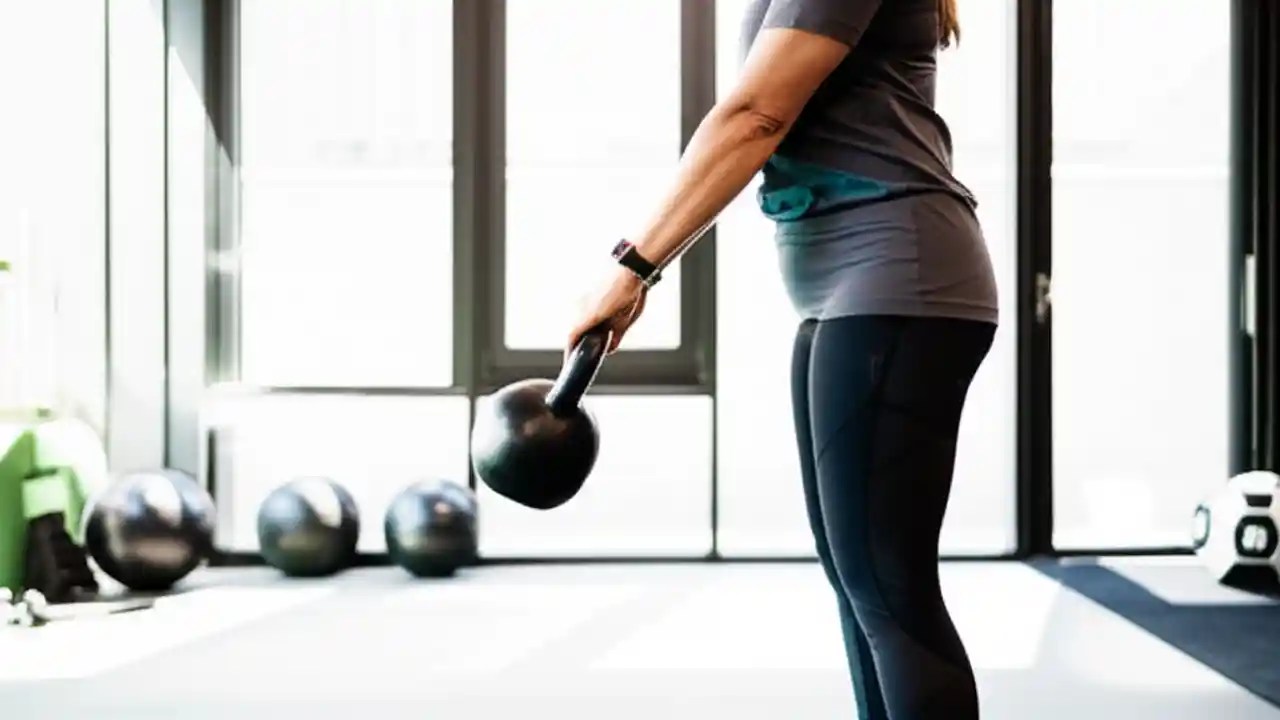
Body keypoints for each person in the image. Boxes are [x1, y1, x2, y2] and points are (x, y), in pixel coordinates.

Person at [566, 0, 997, 717]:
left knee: (890, 591)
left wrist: (633, 267)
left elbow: (756, 115)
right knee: (862, 588)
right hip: (845, 290)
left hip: (898, 282)